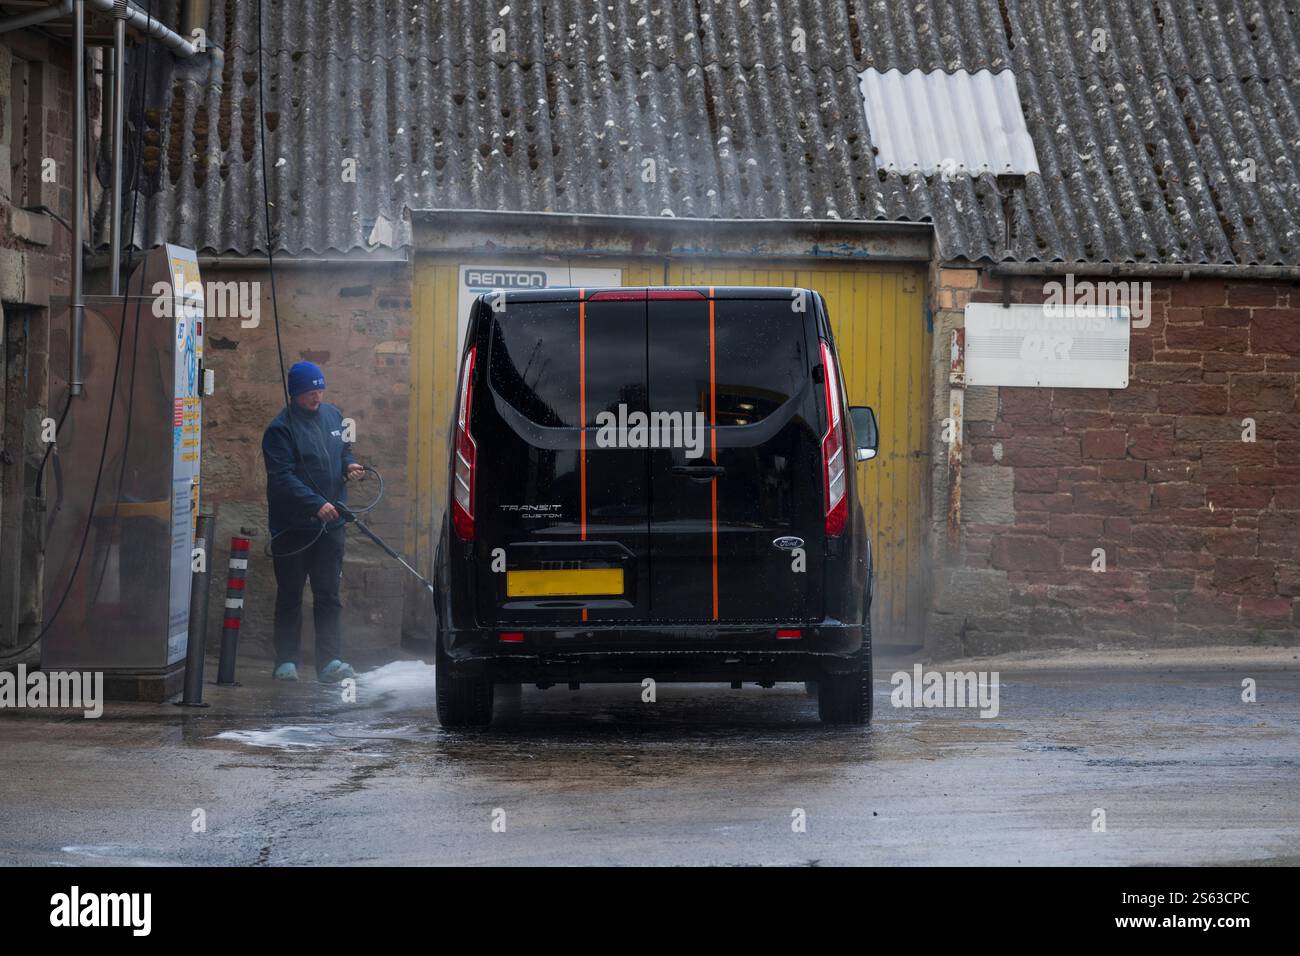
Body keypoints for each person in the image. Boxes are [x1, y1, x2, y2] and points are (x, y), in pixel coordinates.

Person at [262, 361, 364, 683]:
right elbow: (282, 478)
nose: (316, 397)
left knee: (328, 594)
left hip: (331, 528)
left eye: (320, 390)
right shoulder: (280, 430)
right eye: (309, 392)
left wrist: (350, 464)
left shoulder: (335, 416)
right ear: (295, 393)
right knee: (290, 594)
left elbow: (344, 450)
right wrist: (315, 503)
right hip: (293, 528)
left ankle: (330, 661)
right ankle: (286, 662)